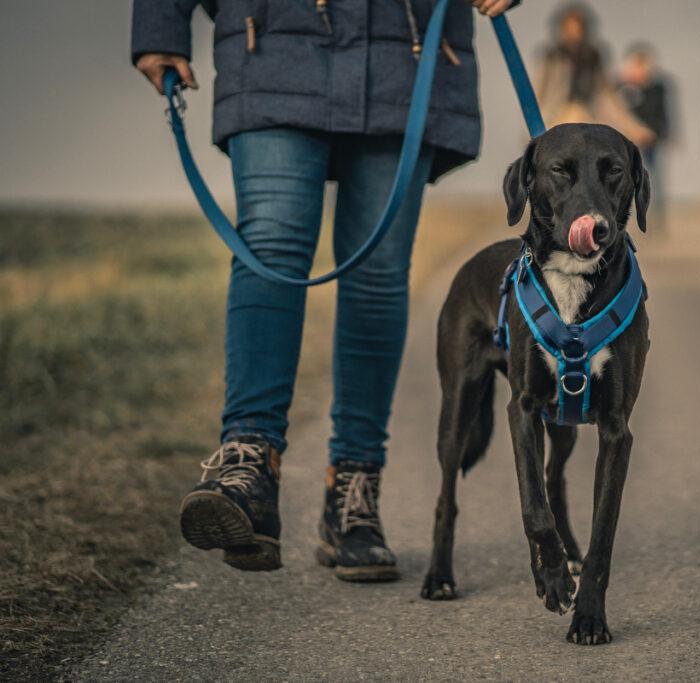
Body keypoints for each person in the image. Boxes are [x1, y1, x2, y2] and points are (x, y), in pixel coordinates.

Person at [131, 0, 516, 581]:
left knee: (380, 272)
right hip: (272, 40)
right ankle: (248, 467)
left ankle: (354, 495)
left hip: (403, 50)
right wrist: (160, 23)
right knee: (270, 244)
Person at [535, 3, 653, 147]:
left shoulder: (592, 57)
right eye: (569, 28)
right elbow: (538, 94)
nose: (573, 33)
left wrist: (635, 128)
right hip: (556, 119)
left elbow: (610, 97)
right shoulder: (551, 58)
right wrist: (534, 130)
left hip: (588, 118)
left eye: (577, 28)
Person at [617, 42, 674, 231]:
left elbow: (665, 114)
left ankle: (655, 221)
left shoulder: (658, 87)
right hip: (625, 141)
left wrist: (664, 135)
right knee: (622, 178)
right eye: (637, 64)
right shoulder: (620, 86)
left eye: (645, 64)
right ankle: (622, 218)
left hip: (651, 141)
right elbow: (615, 112)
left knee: (653, 178)